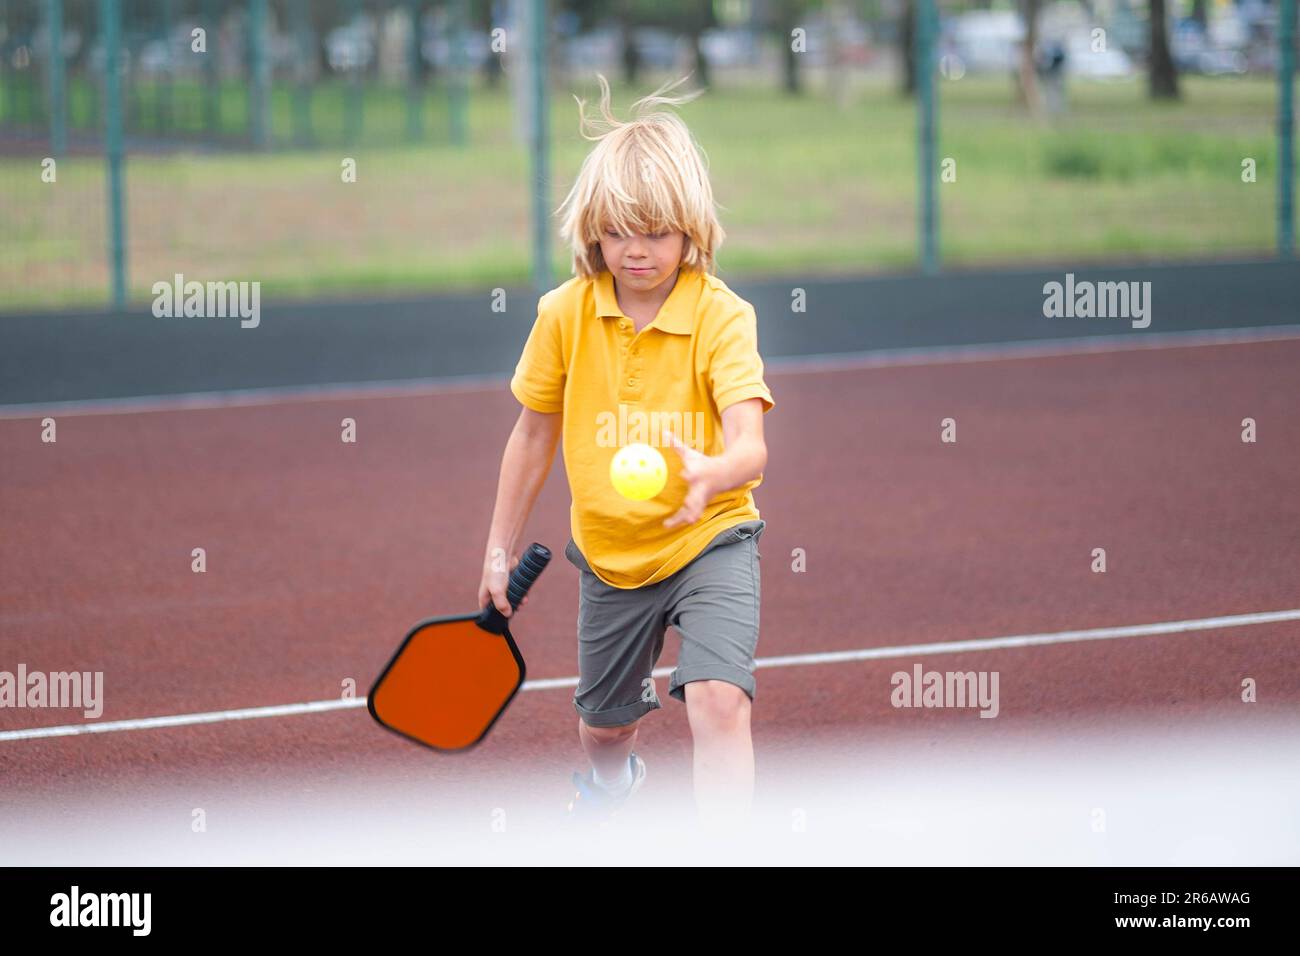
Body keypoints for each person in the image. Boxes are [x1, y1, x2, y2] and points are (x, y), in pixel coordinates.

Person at [477, 72, 775, 832]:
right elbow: (533, 431)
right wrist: (494, 552)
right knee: (606, 729)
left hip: (712, 537)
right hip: (610, 557)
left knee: (718, 698)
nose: (635, 251)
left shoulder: (722, 316)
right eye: (616, 233)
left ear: (691, 230)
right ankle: (611, 784)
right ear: (592, 232)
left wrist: (717, 472)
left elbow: (750, 444)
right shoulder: (564, 314)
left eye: (656, 233)